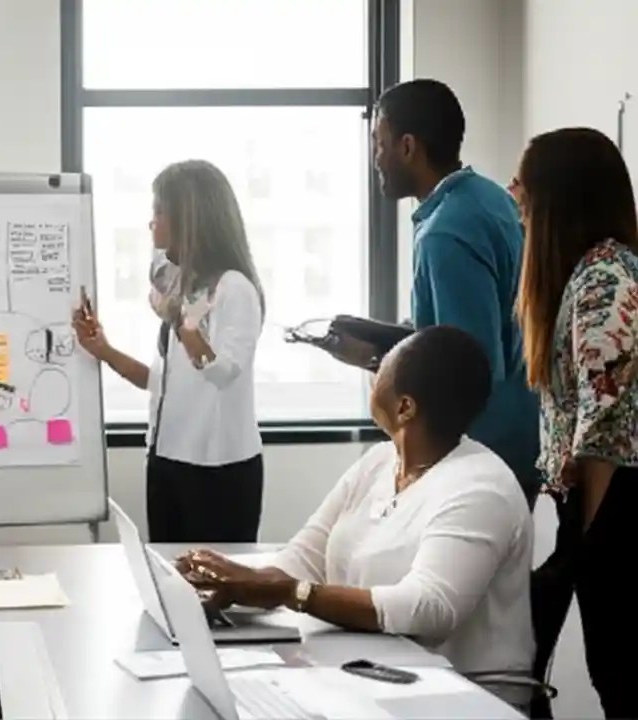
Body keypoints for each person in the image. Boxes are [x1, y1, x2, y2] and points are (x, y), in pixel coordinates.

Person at [178, 326, 535, 692]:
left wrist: (291, 593)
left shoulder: (480, 487)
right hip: (369, 678)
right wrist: (228, 580)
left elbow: (429, 608)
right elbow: (304, 558)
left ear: (404, 407)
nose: (372, 374)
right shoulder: (380, 461)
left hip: (460, 697)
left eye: (382, 369)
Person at [334, 78, 541, 509]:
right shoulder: (487, 198)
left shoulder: (445, 232)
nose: (376, 158)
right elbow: (462, 330)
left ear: (407, 146)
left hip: (481, 455)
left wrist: (378, 359)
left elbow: (468, 366)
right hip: (520, 434)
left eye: (379, 143)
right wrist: (384, 335)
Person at [512, 127, 638, 719]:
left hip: (611, 509)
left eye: (525, 182)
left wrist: (585, 542)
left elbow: (605, 423)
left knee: (619, 672)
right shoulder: (590, 274)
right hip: (592, 504)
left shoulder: (604, 278)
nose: (514, 191)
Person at [72, 159, 266, 543]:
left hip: (216, 470)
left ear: (188, 216)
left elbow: (222, 371)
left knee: (213, 593)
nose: (151, 223)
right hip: (166, 460)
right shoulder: (183, 286)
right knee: (169, 581)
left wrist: (177, 319)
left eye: (158, 211)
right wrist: (102, 349)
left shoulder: (233, 288)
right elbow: (161, 384)